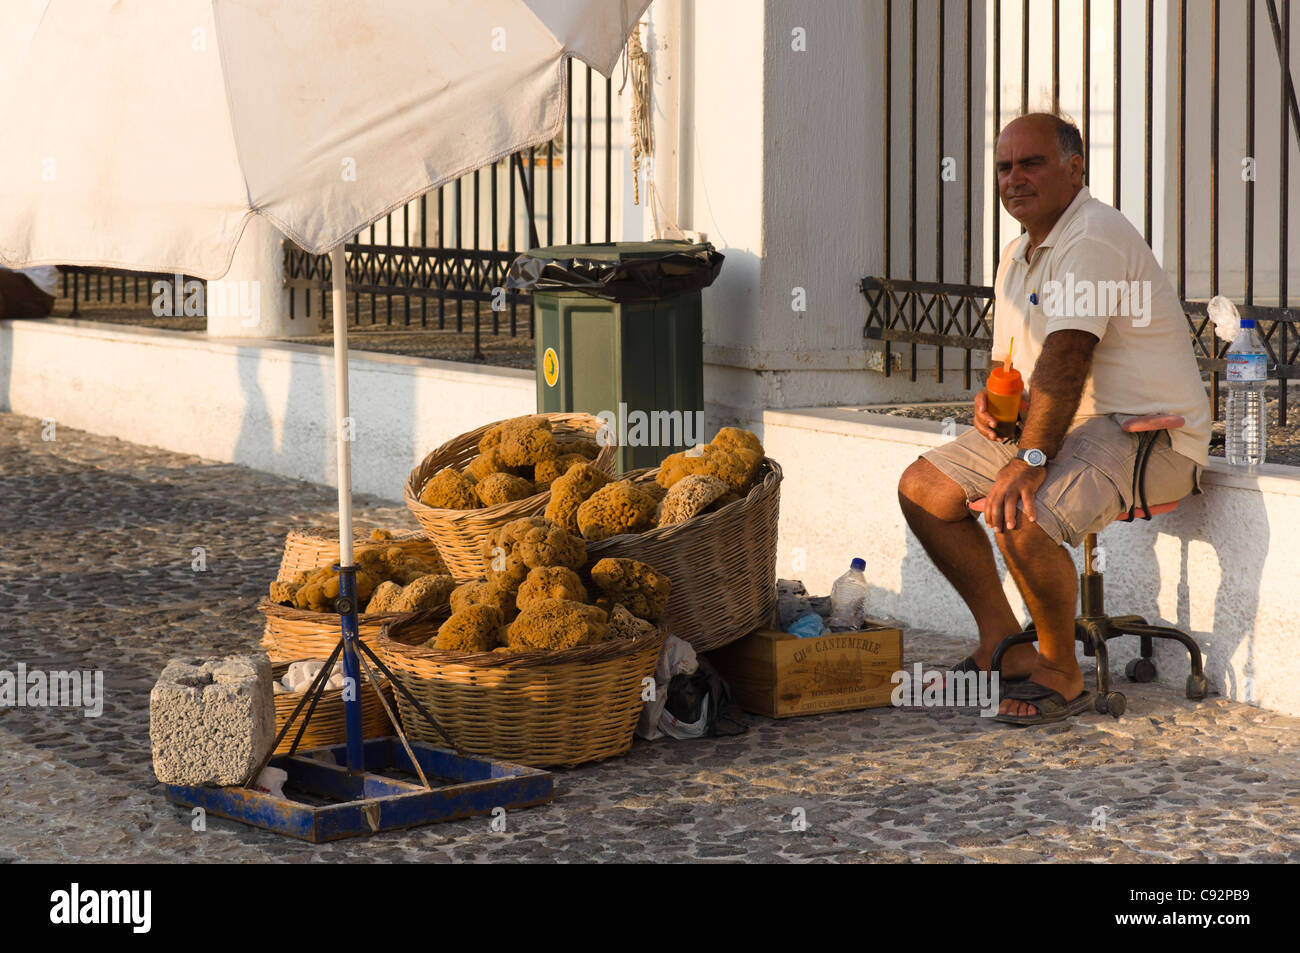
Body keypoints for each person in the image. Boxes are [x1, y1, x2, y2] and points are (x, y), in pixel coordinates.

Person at [896, 112, 1210, 724]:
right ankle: (1000, 645)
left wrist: (1030, 461)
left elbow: (1068, 356)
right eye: (1005, 166)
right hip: (1058, 424)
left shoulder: (1092, 236)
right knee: (924, 490)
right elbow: (1011, 363)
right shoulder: (1018, 252)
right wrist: (991, 401)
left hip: (1148, 433)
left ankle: (1059, 668)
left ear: (1075, 169)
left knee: (1021, 515)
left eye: (1031, 163)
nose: (1014, 178)